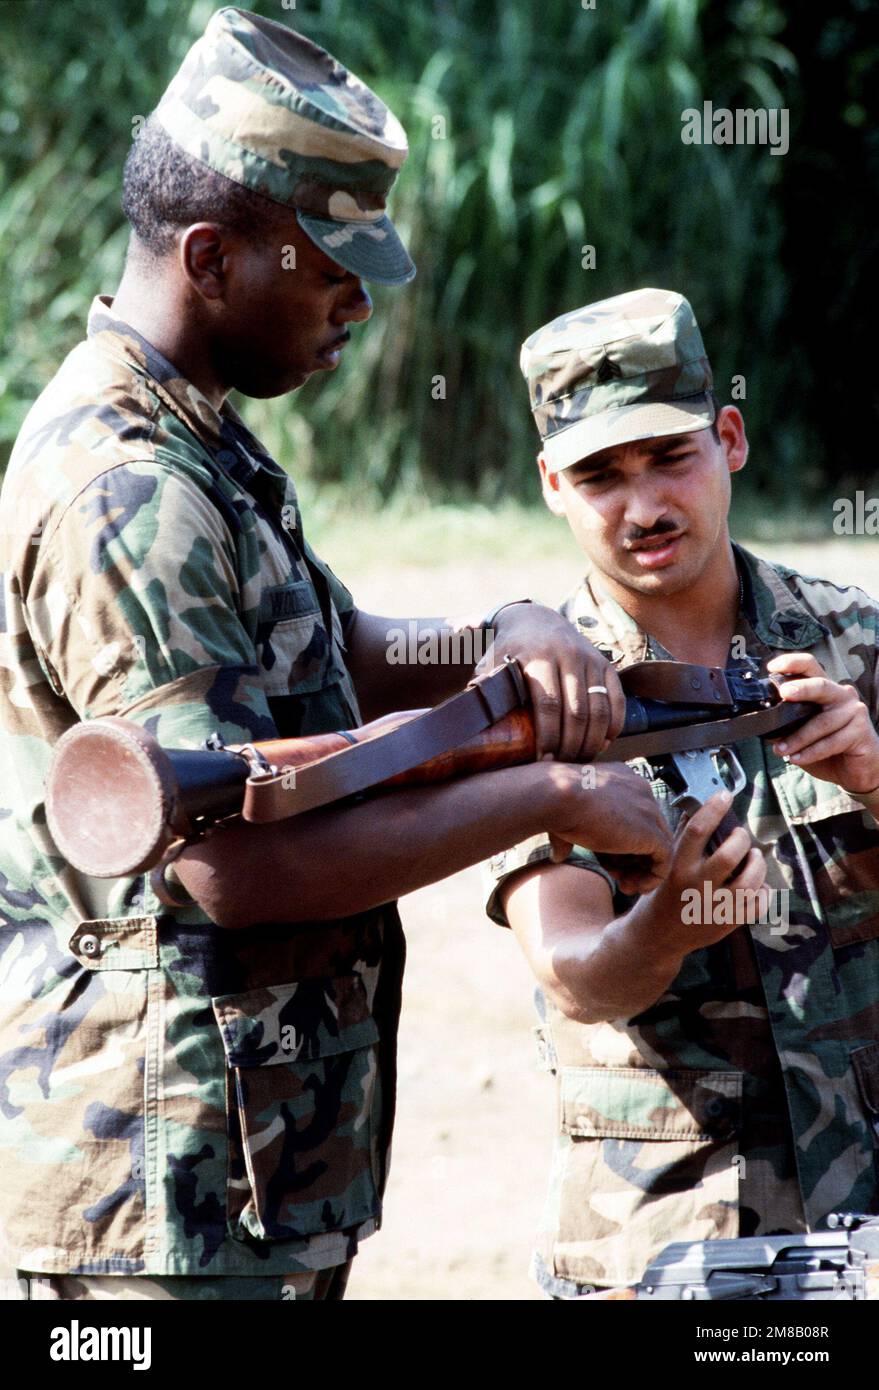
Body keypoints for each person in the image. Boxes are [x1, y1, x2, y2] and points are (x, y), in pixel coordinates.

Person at [0, 11, 670, 1302]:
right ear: (210, 257)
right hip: (164, 1194)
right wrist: (548, 794)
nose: (360, 298)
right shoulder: (130, 491)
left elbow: (336, 652)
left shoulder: (195, 437)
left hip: (237, 1160)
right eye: (331, 266)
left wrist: (497, 634)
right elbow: (232, 865)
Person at [487, 286, 879, 1298]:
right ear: (551, 484)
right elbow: (573, 969)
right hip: (669, 1243)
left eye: (672, 456)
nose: (646, 505)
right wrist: (666, 925)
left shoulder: (855, 641)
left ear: (731, 439)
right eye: (601, 475)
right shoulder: (532, 708)